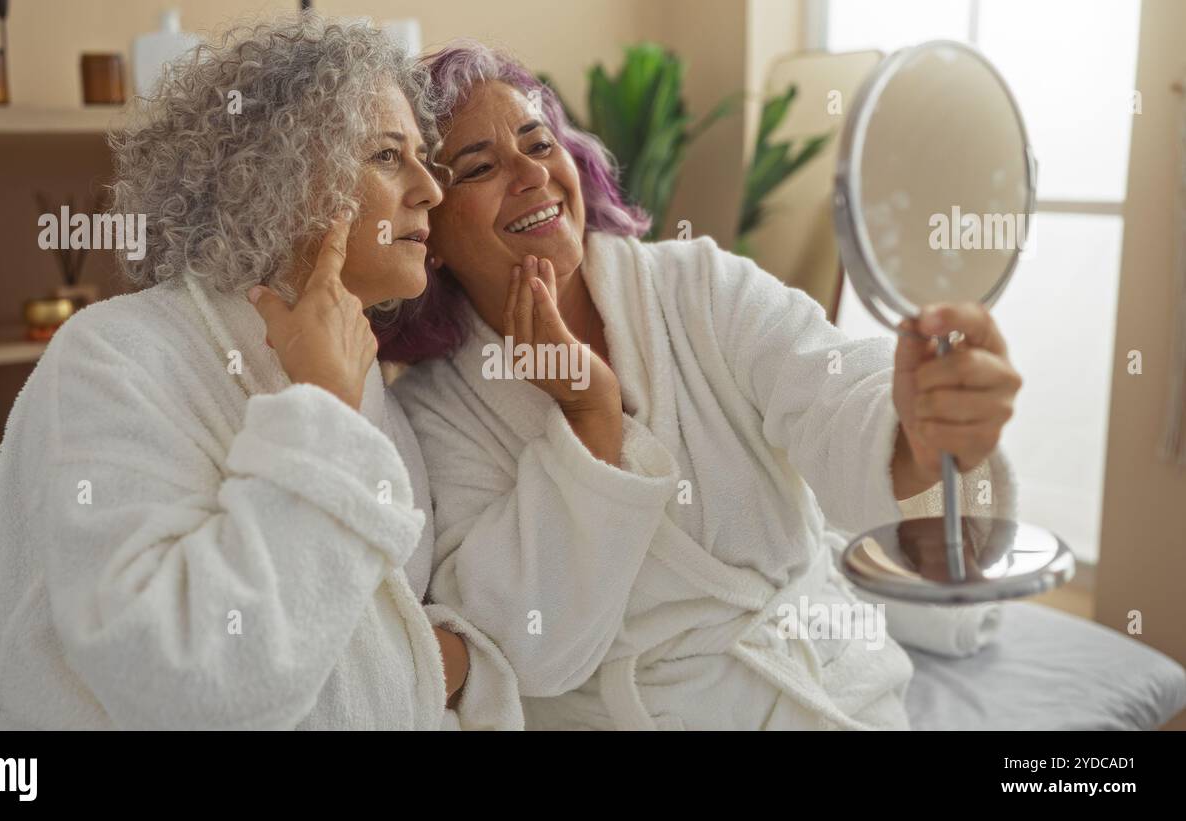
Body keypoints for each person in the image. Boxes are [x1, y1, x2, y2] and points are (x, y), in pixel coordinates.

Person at [388, 42, 1022, 730]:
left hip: (830, 692)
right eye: (480, 166)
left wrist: (927, 435)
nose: (530, 172)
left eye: (540, 141)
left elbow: (840, 398)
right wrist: (588, 414)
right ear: (432, 230)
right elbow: (517, 647)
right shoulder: (437, 411)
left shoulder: (700, 288)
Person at [0, 19, 521, 730]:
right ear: (281, 182)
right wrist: (321, 406)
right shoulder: (114, 354)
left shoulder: (364, 375)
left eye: (425, 157)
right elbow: (184, 679)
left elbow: (369, 621)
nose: (430, 192)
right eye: (389, 156)